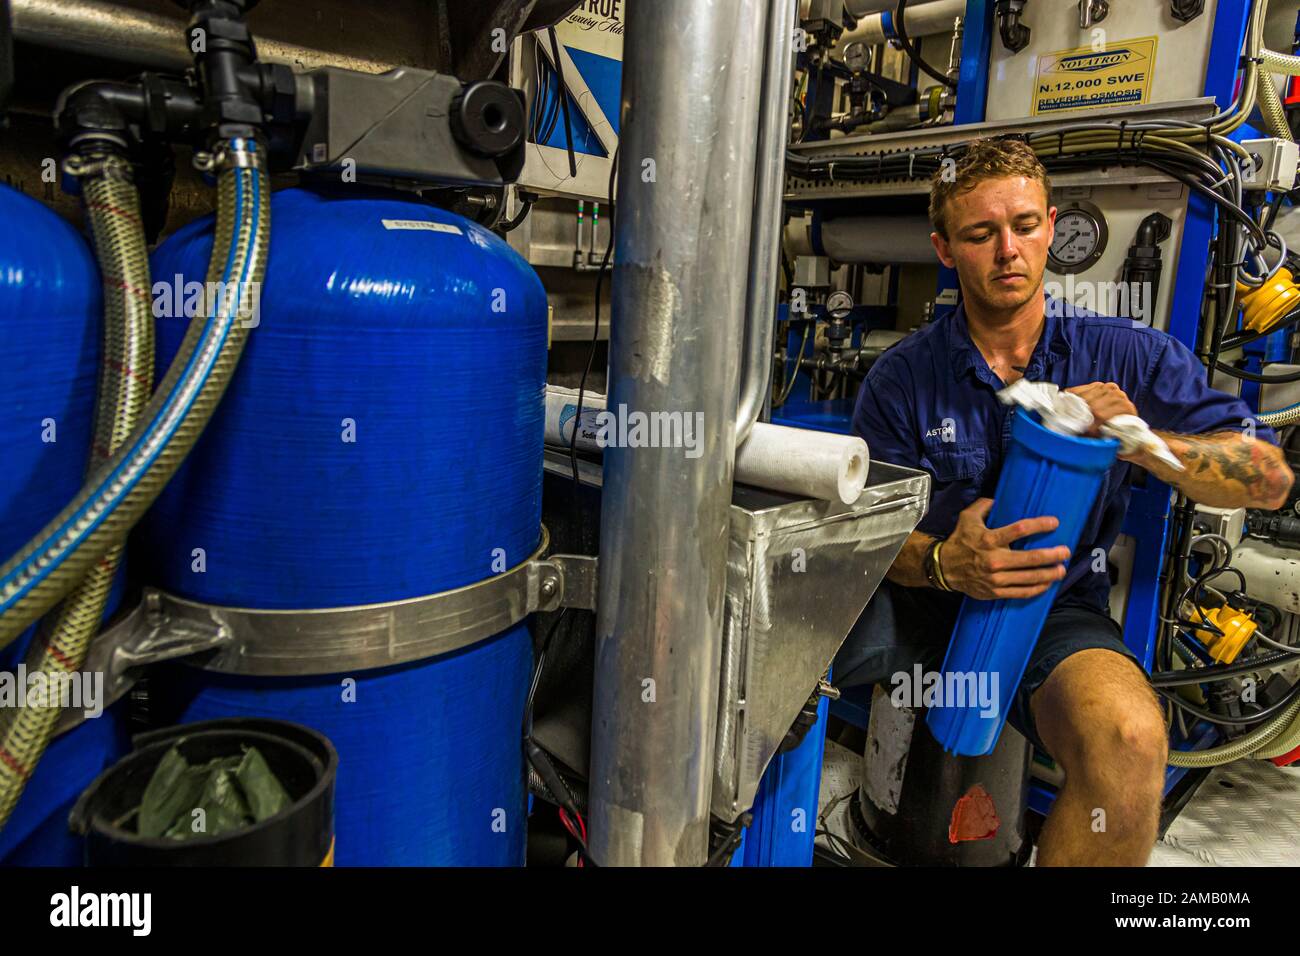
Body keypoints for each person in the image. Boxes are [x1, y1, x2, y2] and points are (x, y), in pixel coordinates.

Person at [835, 137, 1294, 866]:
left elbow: (1267, 477)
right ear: (946, 249)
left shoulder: (1127, 358)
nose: (1007, 251)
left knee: (1132, 740)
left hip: (1052, 608)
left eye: (1022, 225)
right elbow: (866, 538)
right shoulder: (901, 379)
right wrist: (949, 563)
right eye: (980, 233)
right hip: (922, 606)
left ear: (1051, 226)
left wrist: (1144, 442)